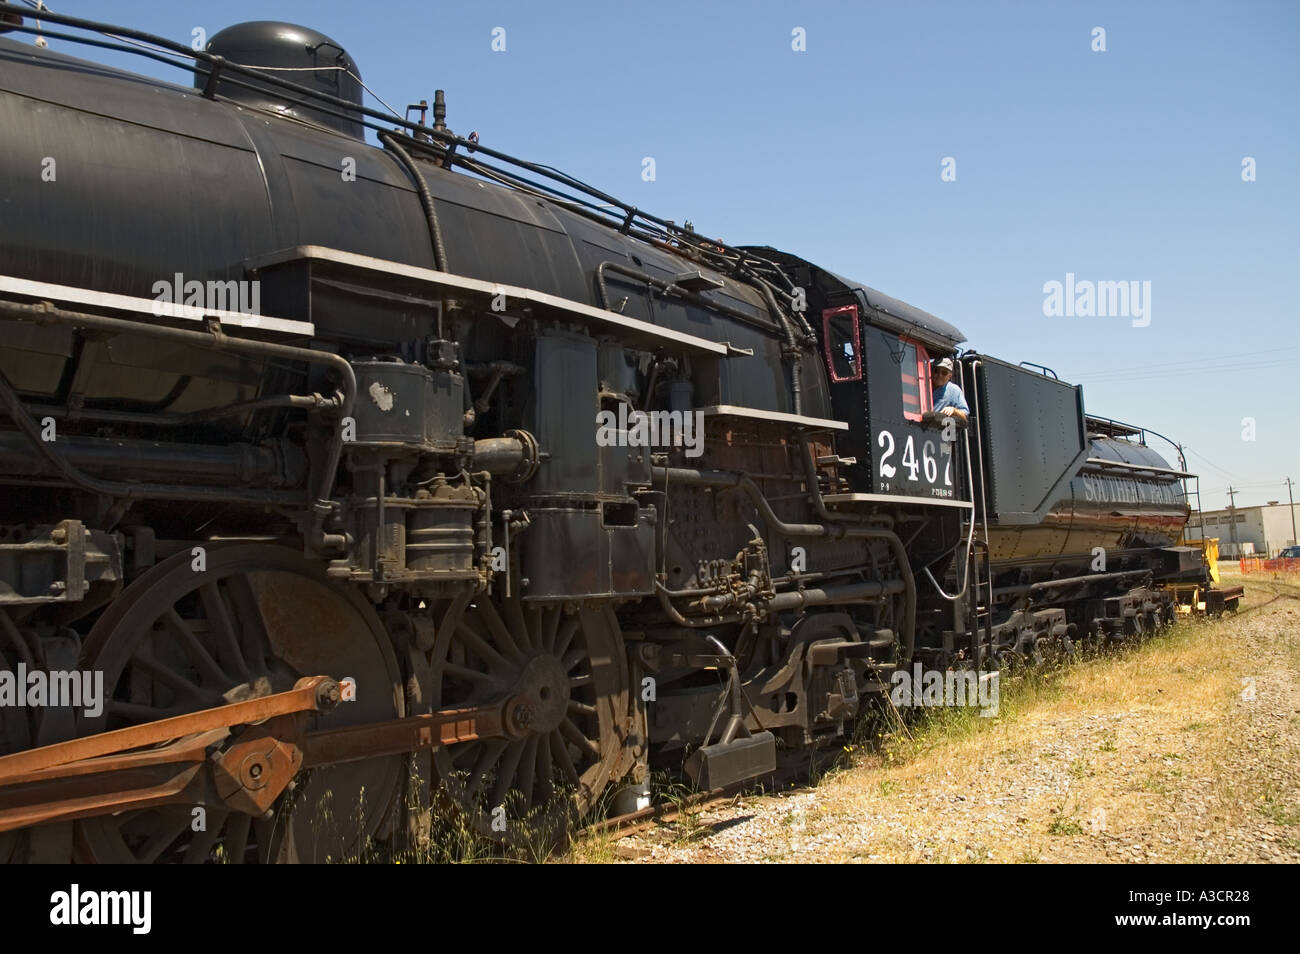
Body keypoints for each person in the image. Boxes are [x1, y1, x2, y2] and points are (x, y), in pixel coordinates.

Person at [931, 357, 968, 424]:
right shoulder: (924, 385)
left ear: (950, 376)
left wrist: (954, 410)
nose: (940, 375)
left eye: (944, 373)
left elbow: (965, 416)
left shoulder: (953, 390)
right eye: (936, 371)